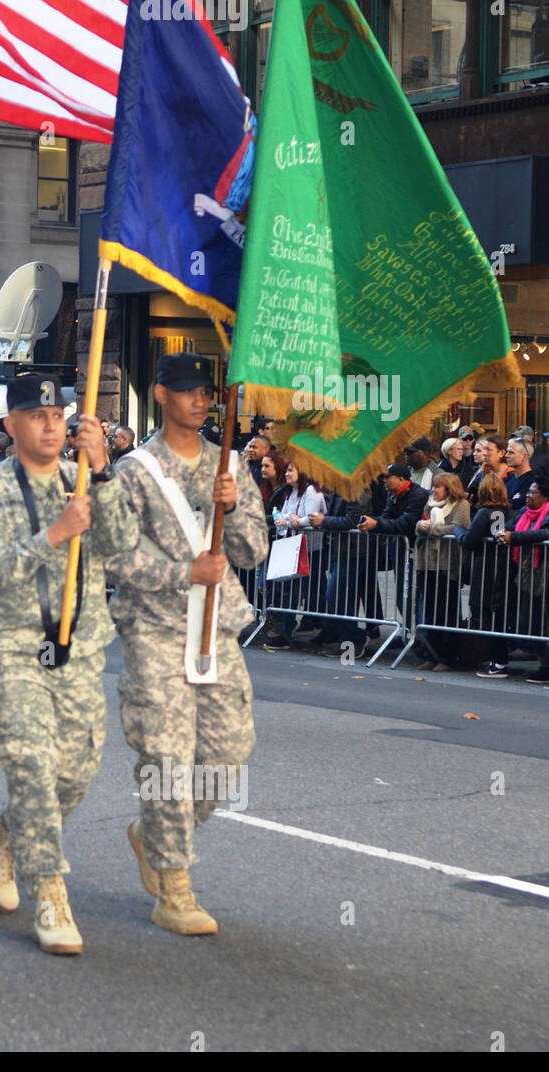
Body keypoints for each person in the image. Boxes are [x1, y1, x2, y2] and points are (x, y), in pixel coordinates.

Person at [0, 375, 136, 954]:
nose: (50, 422)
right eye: (36, 415)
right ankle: (52, 895)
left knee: (75, 773)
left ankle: (0, 839)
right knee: (33, 768)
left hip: (79, 650)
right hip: (15, 651)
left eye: (57, 413)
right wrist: (55, 536)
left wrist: (104, 471)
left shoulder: (80, 480)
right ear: (10, 425)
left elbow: (124, 546)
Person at [109, 353, 268, 936]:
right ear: (160, 395)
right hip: (155, 630)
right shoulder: (135, 471)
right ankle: (174, 886)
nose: (201, 400)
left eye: (206, 390)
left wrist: (231, 506)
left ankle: (153, 833)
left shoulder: (228, 465)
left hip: (217, 627)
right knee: (169, 760)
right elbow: (114, 555)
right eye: (188, 390)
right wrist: (182, 572)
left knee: (227, 755)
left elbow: (253, 550)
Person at [316, 463, 426, 658]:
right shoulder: (343, 490)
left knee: (337, 596)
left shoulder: (356, 490)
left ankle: (358, 639)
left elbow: (353, 519)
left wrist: (324, 521)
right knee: (341, 598)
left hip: (355, 551)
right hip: (342, 549)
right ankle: (350, 641)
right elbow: (384, 516)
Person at [262, 454, 327, 649]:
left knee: (312, 591)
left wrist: (291, 519)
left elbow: (310, 518)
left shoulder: (311, 491)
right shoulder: (291, 492)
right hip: (294, 547)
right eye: (287, 469)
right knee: (289, 591)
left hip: (310, 548)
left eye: (291, 470)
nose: (287, 473)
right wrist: (289, 518)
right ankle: (286, 630)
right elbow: (286, 515)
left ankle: (321, 628)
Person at [412, 473, 470, 670]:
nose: (434, 490)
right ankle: (431, 654)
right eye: (434, 487)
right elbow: (419, 524)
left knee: (446, 611)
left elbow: (458, 528)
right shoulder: (429, 504)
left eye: (438, 487)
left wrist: (431, 529)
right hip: (426, 562)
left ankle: (447, 657)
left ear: (449, 488)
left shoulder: (461, 505)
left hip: (447, 564)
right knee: (429, 611)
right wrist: (420, 525)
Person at [458, 475, 514, 678]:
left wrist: (458, 530)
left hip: (486, 568)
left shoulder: (484, 512)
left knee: (484, 612)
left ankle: (495, 658)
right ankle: (497, 657)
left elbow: (469, 541)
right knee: (499, 612)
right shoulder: (509, 511)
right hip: (504, 566)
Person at [498, 478, 549, 682]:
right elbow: (510, 528)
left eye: (533, 493)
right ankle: (544, 662)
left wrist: (514, 537)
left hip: (544, 572)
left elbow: (543, 534)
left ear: (545, 496)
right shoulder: (522, 512)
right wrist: (501, 534)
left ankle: (546, 667)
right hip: (527, 573)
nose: (528, 496)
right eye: (528, 492)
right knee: (530, 620)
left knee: (543, 621)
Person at [504, 437, 536, 514]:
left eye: (511, 452)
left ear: (524, 456)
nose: (506, 455)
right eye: (507, 452)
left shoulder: (533, 481)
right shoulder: (508, 478)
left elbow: (519, 505)